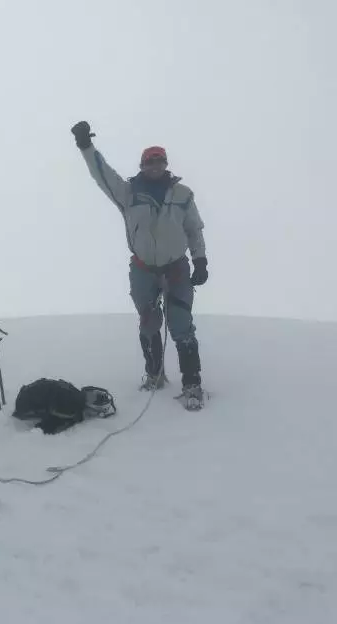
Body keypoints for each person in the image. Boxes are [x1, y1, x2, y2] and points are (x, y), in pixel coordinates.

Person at [70, 121, 208, 409]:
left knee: (181, 323)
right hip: (143, 268)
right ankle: (155, 375)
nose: (155, 166)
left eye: (159, 161)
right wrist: (86, 146)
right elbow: (102, 175)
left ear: (166, 164)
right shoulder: (128, 193)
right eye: (149, 162)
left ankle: (192, 385)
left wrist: (200, 260)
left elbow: (194, 229)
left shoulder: (182, 195)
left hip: (177, 268)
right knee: (148, 323)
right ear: (142, 165)